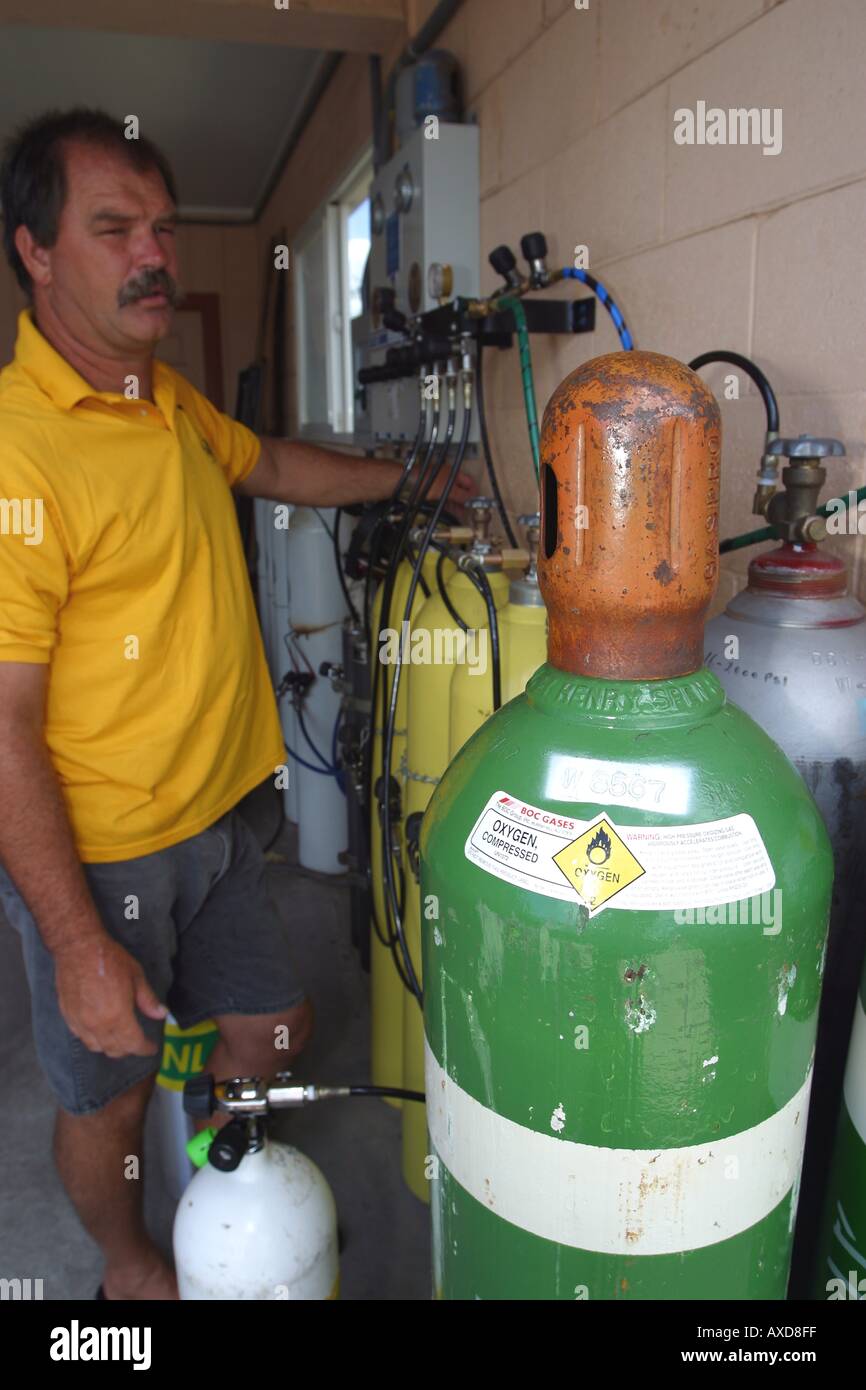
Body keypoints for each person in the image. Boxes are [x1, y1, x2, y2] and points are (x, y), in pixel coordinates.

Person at [0, 108, 473, 1301]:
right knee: (106, 1093)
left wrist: (415, 480)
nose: (151, 254)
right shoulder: (19, 453)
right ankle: (131, 1265)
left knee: (271, 1031)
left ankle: (213, 1144)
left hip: (220, 822)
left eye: (161, 228)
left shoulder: (162, 399)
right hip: (105, 849)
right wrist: (77, 944)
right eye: (113, 228)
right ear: (35, 252)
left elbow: (267, 462)